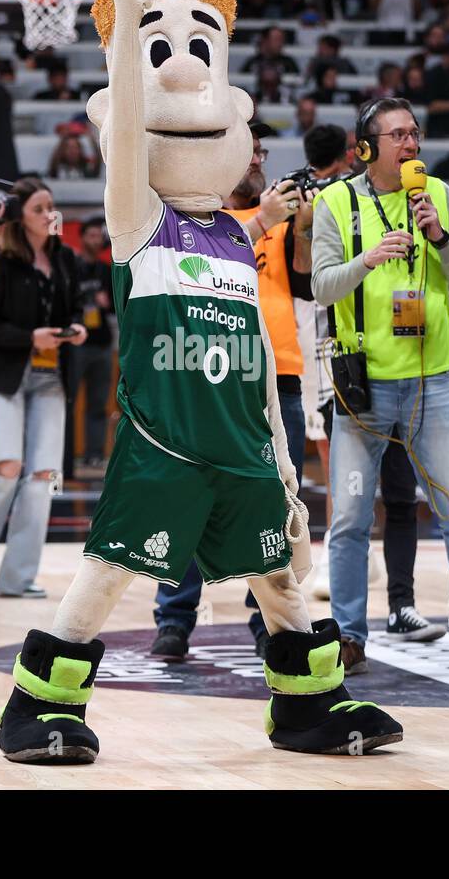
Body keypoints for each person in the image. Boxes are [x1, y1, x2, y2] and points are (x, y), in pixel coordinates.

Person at [0, 0, 401, 764]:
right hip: (165, 441)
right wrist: (129, 29)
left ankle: (308, 705)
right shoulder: (140, 220)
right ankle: (34, 710)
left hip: (243, 443)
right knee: (111, 573)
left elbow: (255, 359)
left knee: (281, 574)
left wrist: (283, 462)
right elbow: (127, 143)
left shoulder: (232, 240)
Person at [311, 97, 449, 672]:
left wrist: (442, 239)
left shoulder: (439, 195)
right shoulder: (336, 202)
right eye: (397, 135)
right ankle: (349, 632)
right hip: (364, 385)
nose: (411, 145)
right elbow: (322, 287)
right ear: (367, 148)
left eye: (414, 134)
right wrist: (368, 260)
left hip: (432, 380)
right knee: (349, 517)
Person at [149, 121, 314, 660]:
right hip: (211, 375)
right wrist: (265, 217)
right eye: (250, 149)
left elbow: (307, 276)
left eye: (264, 149)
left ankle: (269, 619)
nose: (259, 157)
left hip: (279, 372)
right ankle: (174, 617)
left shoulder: (281, 219)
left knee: (272, 502)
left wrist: (307, 222)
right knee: (186, 498)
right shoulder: (194, 219)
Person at [0, 177, 82, 598]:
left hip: (51, 378)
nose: (50, 214)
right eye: (39, 208)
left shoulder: (65, 259)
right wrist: (31, 338)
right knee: (5, 468)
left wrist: (75, 329)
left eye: (51, 205)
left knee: (43, 476)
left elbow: (75, 308)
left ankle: (17, 576)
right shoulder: (3, 261)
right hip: (6, 375)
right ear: (19, 218)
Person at [69, 216, 115, 472]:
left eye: (100, 236)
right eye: (92, 235)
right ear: (82, 237)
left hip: (101, 342)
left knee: (98, 403)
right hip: (76, 342)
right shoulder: (71, 267)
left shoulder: (105, 270)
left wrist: (106, 303)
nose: (97, 240)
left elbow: (115, 309)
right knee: (68, 400)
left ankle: (94, 454)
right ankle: (64, 455)